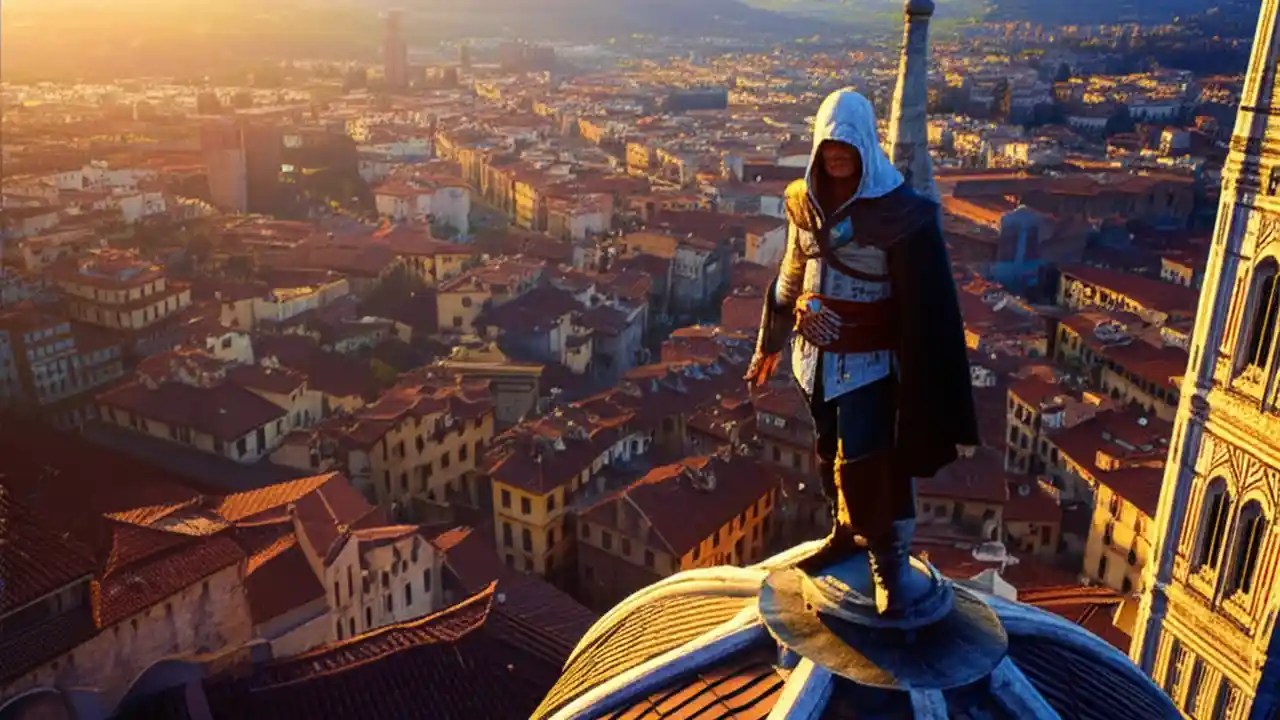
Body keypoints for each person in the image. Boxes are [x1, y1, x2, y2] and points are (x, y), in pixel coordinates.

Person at [745, 88, 979, 615]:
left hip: (872, 362)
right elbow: (793, 270)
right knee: (830, 455)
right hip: (817, 360)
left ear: (865, 146)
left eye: (845, 146)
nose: (835, 154)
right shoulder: (802, 202)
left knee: (869, 460)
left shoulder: (901, 213)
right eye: (829, 144)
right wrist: (772, 340)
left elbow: (922, 303)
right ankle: (843, 533)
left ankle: (887, 560)